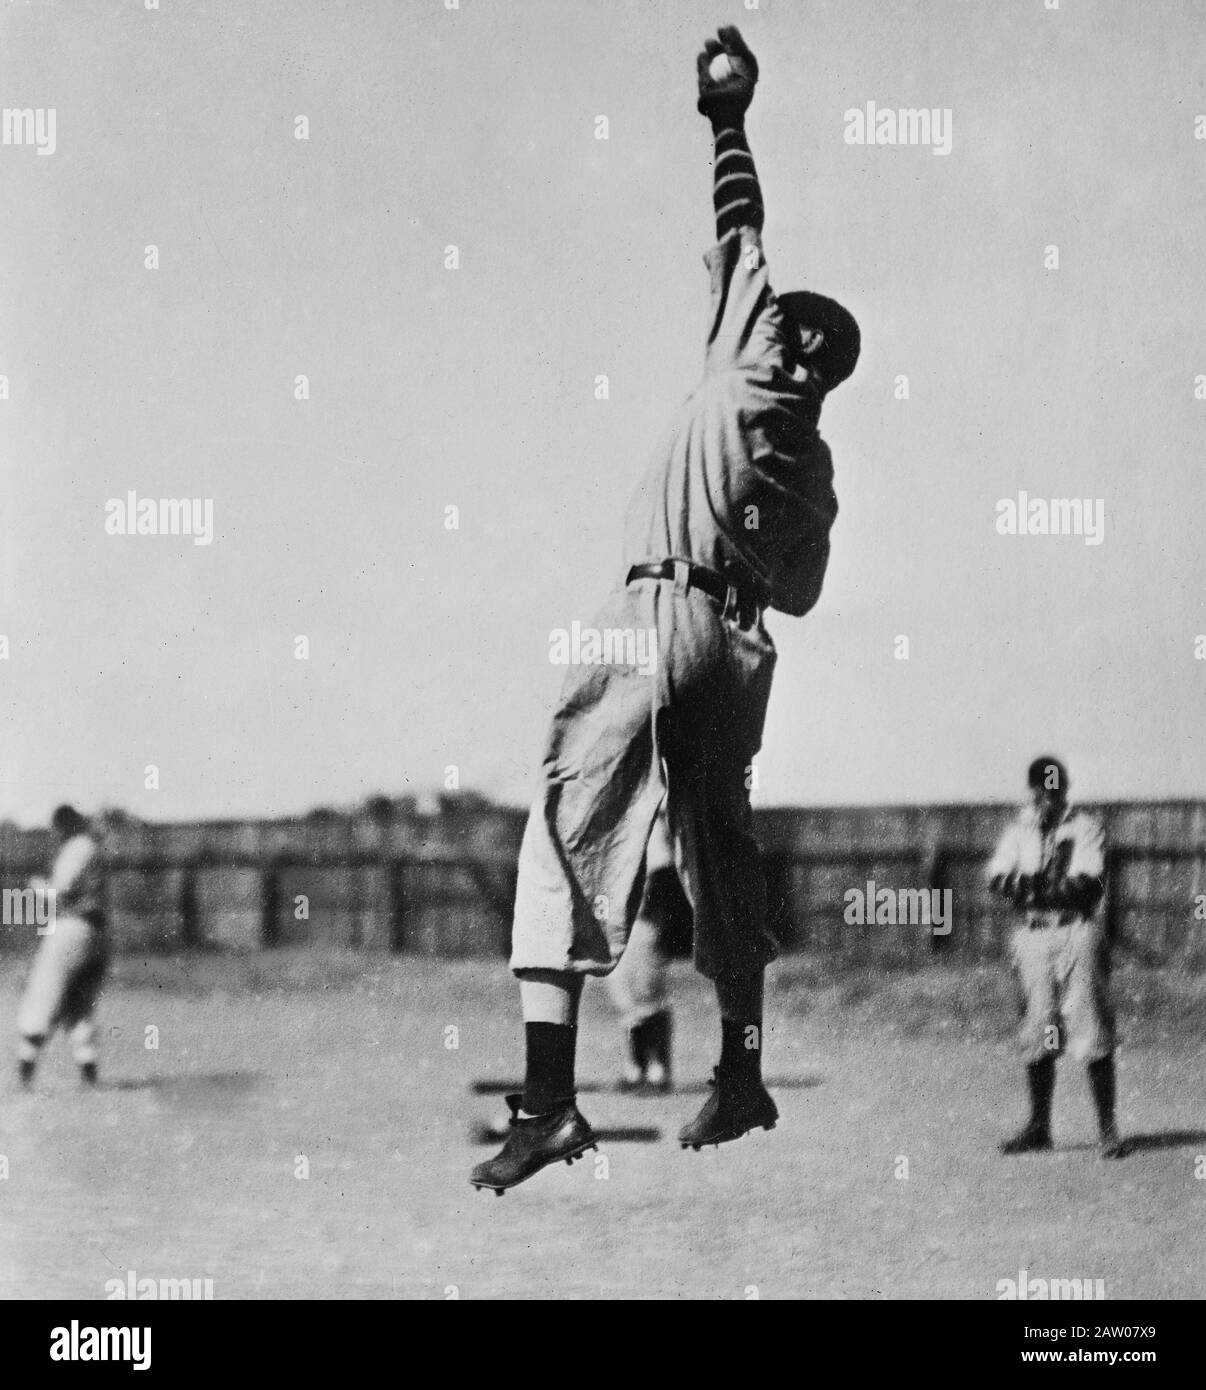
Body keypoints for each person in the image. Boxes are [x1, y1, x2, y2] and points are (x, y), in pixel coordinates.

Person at [471, 26, 859, 1194]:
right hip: (739, 649)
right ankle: (741, 1070)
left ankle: (549, 1105)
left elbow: (738, 224)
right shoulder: (817, 464)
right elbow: (802, 590)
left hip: (653, 613)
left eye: (781, 314)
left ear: (789, 341)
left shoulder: (746, 364)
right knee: (719, 856)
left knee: (565, 833)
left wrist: (725, 112)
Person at [986, 757, 1126, 1160]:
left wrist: (1029, 886)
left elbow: (1085, 886)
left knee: (1090, 1022)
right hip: (1033, 935)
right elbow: (997, 878)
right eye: (1041, 790)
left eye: (1054, 789)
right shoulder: (1019, 829)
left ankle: (1107, 1128)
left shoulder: (1085, 826)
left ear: (1065, 789)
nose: (1047, 797)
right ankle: (1039, 1126)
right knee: (1038, 1025)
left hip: (1075, 931)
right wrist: (1040, 886)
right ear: (1032, 790)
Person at [16, 805, 109, 1089]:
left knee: (42, 997)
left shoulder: (77, 846)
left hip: (71, 929)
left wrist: (34, 886)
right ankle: (89, 1076)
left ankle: (25, 1075)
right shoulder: (94, 846)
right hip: (98, 934)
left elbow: (60, 890)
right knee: (78, 1008)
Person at [605, 810, 678, 1092]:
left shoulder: (648, 821)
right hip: (613, 917)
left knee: (647, 990)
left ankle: (658, 1069)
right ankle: (635, 1068)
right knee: (622, 992)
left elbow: (662, 875)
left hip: (642, 919)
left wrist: (653, 919)